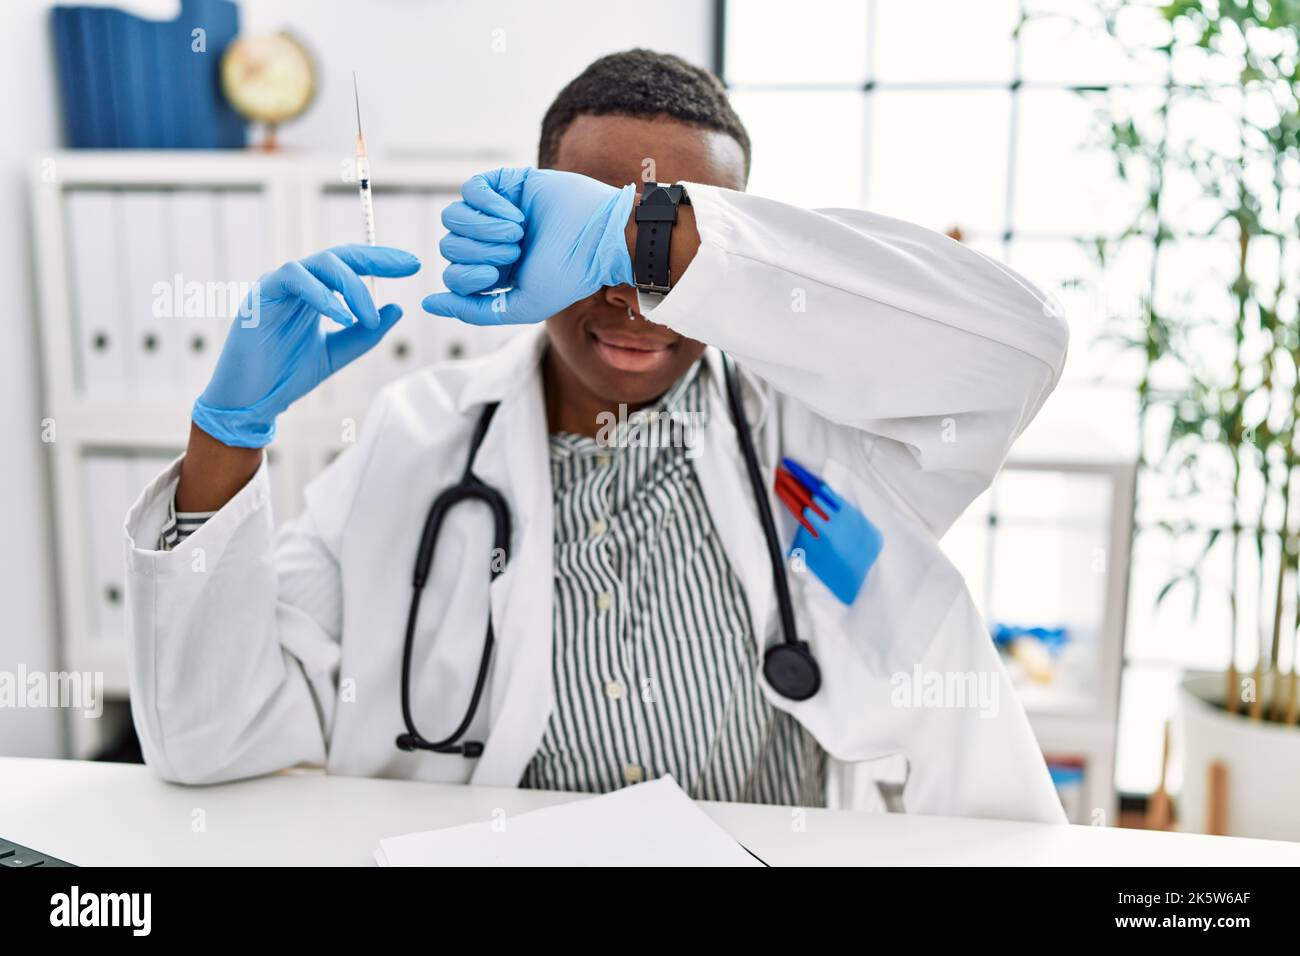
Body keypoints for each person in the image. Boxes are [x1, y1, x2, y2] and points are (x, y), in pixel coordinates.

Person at [124, 50, 1068, 821]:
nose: (634, 300)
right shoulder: (412, 440)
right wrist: (226, 436)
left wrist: (638, 236)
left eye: (664, 252)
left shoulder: (820, 434)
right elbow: (213, 736)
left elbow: (1019, 348)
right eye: (595, 236)